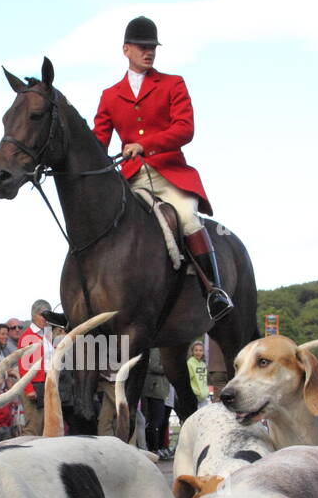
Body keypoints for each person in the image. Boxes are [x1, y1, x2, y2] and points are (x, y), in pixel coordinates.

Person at [92, 16, 233, 320]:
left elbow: (185, 129)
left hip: (170, 175)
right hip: (131, 178)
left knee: (187, 219)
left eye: (152, 47)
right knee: (97, 225)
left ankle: (214, 292)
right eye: (142, 46)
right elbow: (98, 143)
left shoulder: (172, 83)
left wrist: (146, 144)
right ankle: (81, 299)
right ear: (125, 49)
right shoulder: (109, 95)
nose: (149, 51)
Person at [17, 300, 51, 436]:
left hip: (45, 385)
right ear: (33, 315)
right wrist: (29, 389)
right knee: (33, 427)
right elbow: (23, 367)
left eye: (48, 315)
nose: (45, 318)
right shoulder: (27, 336)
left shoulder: (46, 334)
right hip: (34, 387)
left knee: (43, 426)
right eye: (42, 315)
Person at [187, 340, 208, 407]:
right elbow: (187, 380)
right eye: (196, 350)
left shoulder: (203, 364)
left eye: (200, 350)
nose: (198, 352)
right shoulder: (189, 363)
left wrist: (206, 392)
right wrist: (195, 392)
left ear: (203, 352)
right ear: (192, 352)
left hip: (204, 397)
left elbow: (204, 380)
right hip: (194, 397)